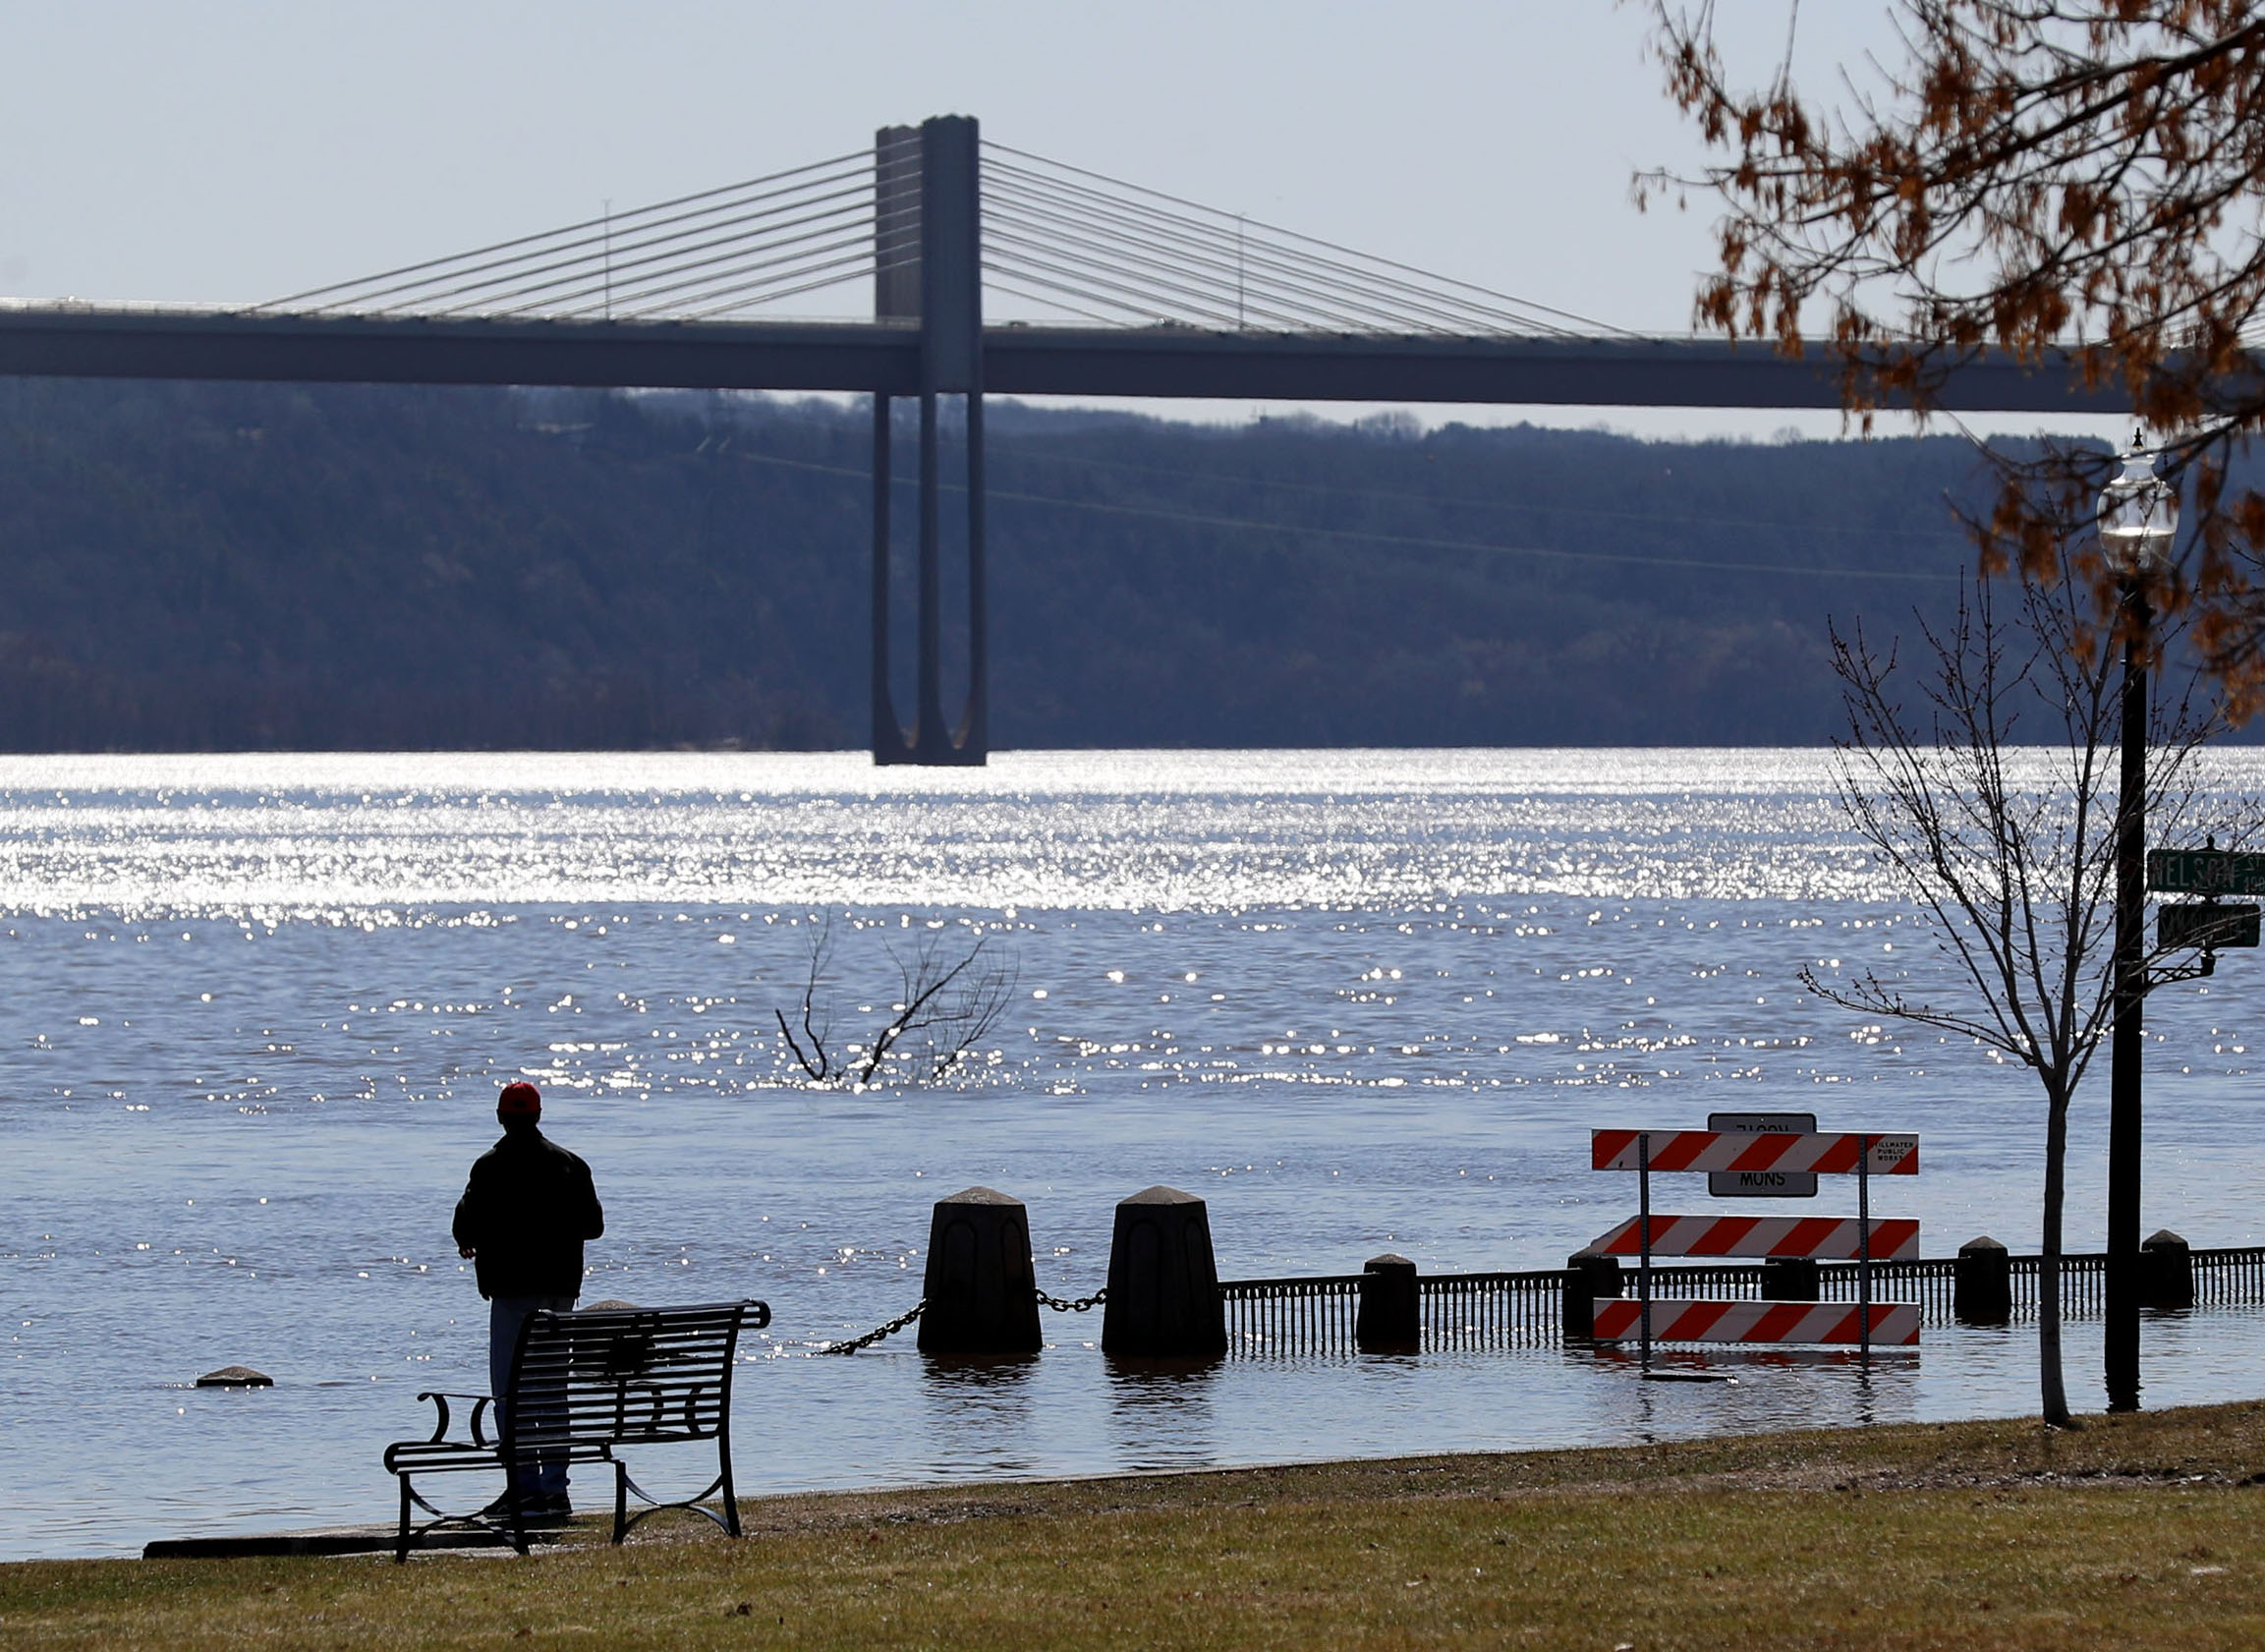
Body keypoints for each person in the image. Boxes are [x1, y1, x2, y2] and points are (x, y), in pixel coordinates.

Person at [452, 1080, 604, 1518]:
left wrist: (472, 1240)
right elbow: (593, 1227)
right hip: (559, 1292)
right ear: (538, 1116)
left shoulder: (489, 1166)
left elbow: (465, 1222)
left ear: (501, 1117)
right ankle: (555, 1488)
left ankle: (523, 1488)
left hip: (511, 1293)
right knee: (551, 1390)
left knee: (510, 1391)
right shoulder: (571, 1165)